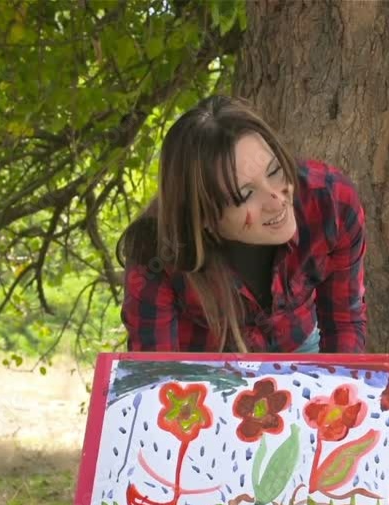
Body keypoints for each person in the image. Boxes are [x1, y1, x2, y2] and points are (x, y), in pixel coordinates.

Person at [118, 95, 367, 353]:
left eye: (275, 171)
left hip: (298, 343)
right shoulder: (155, 249)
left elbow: (344, 323)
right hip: (204, 363)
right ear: (204, 217)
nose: (277, 200)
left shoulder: (331, 201)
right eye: (246, 194)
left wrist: (340, 380)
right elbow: (156, 369)